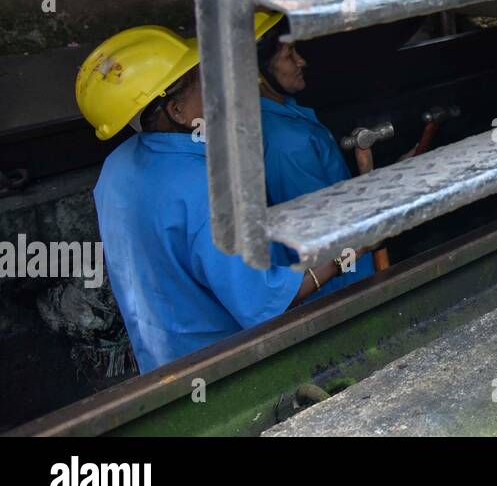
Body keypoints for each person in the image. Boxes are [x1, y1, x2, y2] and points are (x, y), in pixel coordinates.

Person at [77, 22, 367, 372]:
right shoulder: (210, 191)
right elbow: (271, 302)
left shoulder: (117, 167)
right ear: (177, 111)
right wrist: (357, 246)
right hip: (228, 370)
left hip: (160, 362)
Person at [256, 15, 374, 294]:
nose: (301, 61)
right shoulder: (286, 141)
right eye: (289, 54)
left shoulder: (273, 116)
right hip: (342, 282)